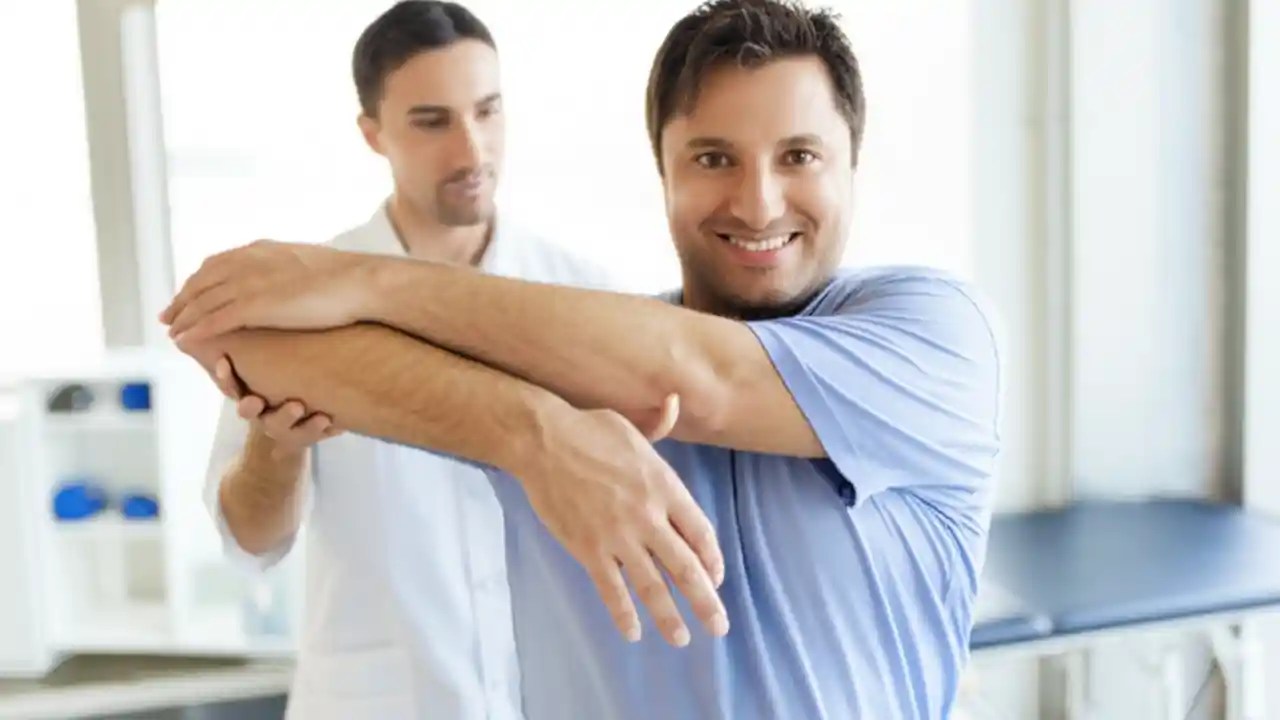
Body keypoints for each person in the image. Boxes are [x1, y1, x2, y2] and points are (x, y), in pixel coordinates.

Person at [166, 0, 1004, 718]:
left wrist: (356, 282)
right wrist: (534, 433)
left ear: (853, 160)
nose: (757, 201)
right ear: (664, 172)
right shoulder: (570, 349)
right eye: (713, 158)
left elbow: (698, 376)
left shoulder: (931, 334)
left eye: (799, 155)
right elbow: (250, 342)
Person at [199, 2, 612, 718]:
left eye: (488, 112)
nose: (472, 150)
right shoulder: (299, 303)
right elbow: (250, 542)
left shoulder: (583, 295)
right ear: (372, 134)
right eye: (432, 122)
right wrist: (275, 447)